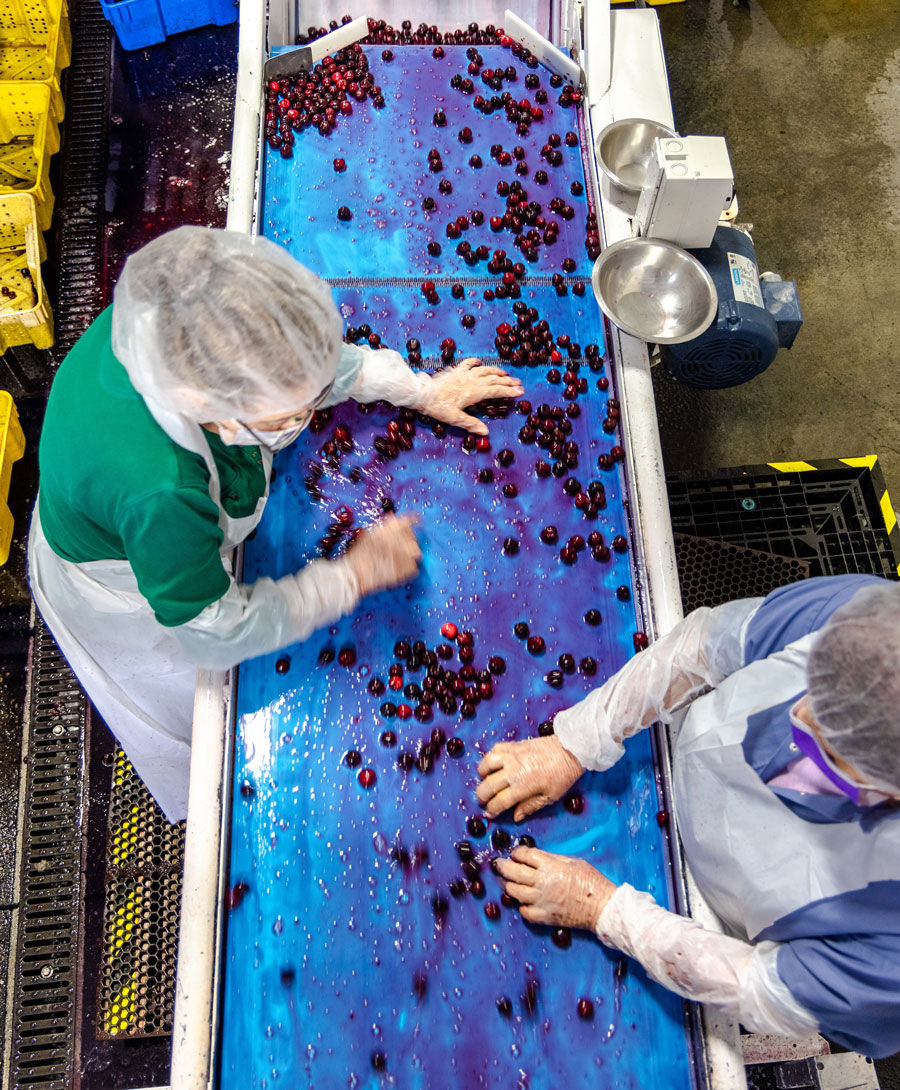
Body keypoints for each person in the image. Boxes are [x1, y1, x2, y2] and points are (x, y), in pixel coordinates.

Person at [29, 226, 523, 823]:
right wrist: (353, 576)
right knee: (190, 708)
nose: (306, 413)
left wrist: (416, 389)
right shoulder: (163, 492)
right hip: (122, 579)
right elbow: (211, 631)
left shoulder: (179, 316)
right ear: (208, 405)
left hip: (138, 500)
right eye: (288, 414)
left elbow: (291, 357)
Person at [477, 574, 900, 1058]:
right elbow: (701, 648)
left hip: (714, 919)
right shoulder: (873, 628)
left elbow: (754, 987)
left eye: (825, 744)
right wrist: (575, 744)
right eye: (812, 689)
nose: (798, 714)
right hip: (675, 748)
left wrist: (603, 909)